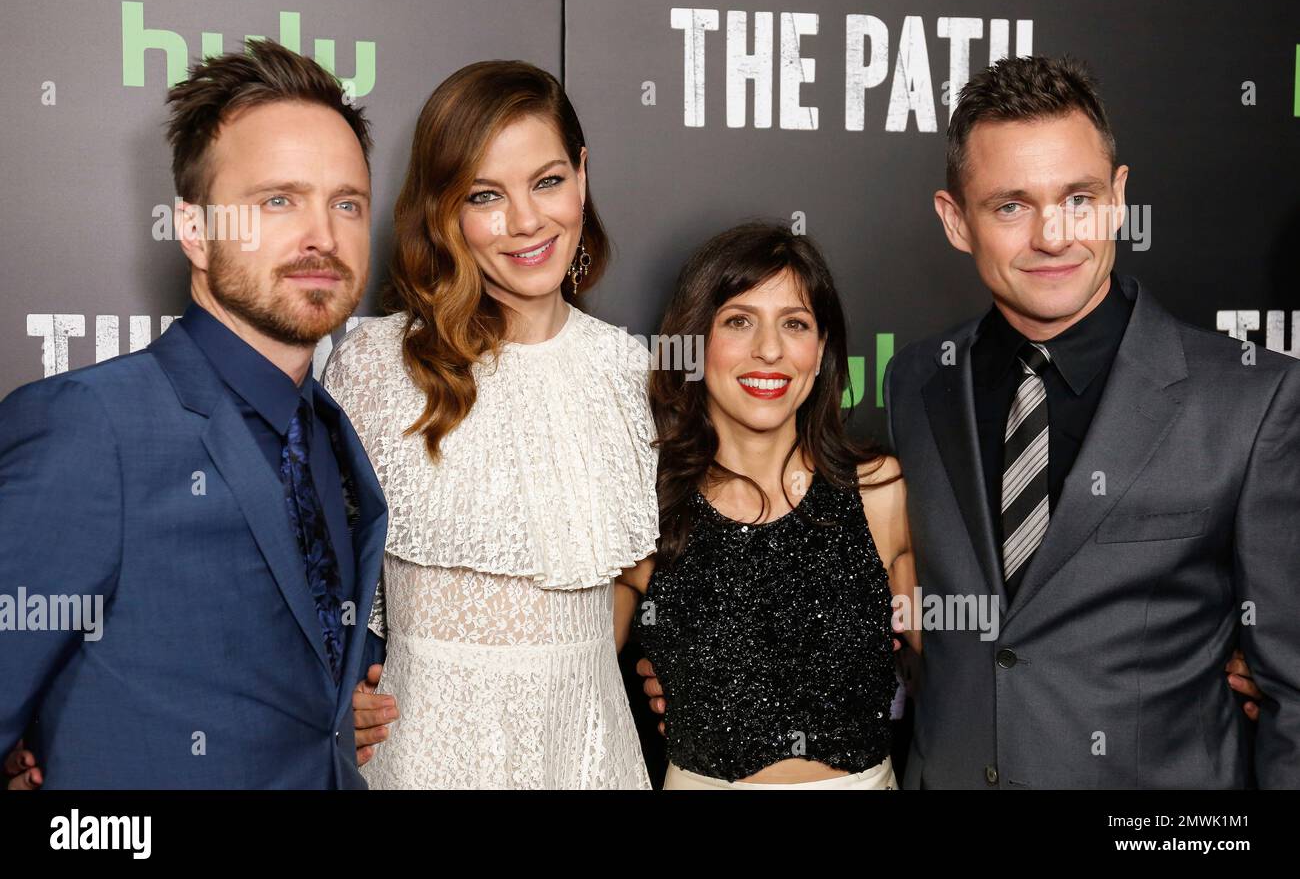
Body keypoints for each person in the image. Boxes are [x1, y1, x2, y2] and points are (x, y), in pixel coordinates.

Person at [637, 55, 1277, 789]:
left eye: (1078, 198)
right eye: (1011, 205)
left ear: (1120, 197)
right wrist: (696, 664)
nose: (1052, 235)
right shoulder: (918, 383)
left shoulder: (1249, 400)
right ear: (956, 220)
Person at [0, 39, 396, 789]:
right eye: (277, 200)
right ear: (193, 231)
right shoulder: (93, 428)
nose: (322, 234)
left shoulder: (331, 432)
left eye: (346, 203)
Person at [321, 60, 657, 789]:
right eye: (485, 195)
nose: (527, 221)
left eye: (547, 181)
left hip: (590, 758)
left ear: (583, 174)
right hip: (424, 761)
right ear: (444, 210)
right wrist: (323, 698)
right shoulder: (377, 365)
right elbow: (308, 576)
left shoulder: (630, 373)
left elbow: (633, 573)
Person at [617, 223, 916, 789]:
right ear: (695, 341)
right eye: (738, 321)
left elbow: (971, 676)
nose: (770, 350)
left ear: (821, 348)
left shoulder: (880, 492)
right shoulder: (646, 504)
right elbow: (566, 674)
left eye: (795, 324)